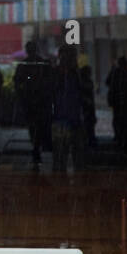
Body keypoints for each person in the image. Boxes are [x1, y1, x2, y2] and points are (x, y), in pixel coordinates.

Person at [14, 41, 53, 171]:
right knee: (39, 126)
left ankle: (37, 147)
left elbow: (17, 84)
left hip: (32, 101)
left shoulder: (25, 65)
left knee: (34, 126)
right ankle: (38, 147)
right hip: (38, 102)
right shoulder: (42, 64)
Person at [51, 45, 86, 173]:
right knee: (61, 156)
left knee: (73, 155)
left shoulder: (76, 75)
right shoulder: (60, 74)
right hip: (63, 118)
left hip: (71, 118)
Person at [106, 55, 127, 155]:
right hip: (120, 104)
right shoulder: (119, 74)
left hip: (124, 105)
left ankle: (122, 140)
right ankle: (121, 139)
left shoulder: (124, 75)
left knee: (121, 122)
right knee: (119, 121)